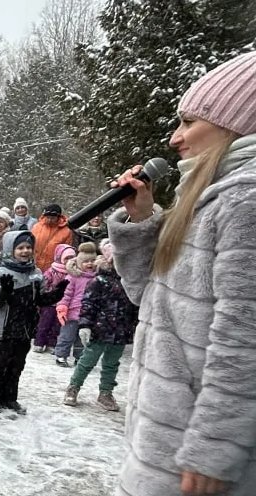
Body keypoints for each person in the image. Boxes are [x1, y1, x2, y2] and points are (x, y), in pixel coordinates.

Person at [109, 51, 256, 496]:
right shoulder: (215, 199)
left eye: (190, 121)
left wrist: (215, 445)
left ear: (240, 121)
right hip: (169, 442)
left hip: (199, 460)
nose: (176, 137)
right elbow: (150, 301)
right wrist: (141, 221)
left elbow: (245, 339)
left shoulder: (245, 203)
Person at [0, 231, 68, 414]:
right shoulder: (2, 272)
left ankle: (10, 398)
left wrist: (57, 293)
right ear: (10, 249)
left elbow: (40, 299)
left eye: (28, 247)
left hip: (26, 327)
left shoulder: (36, 272)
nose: (25, 251)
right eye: (20, 248)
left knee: (17, 365)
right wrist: (5, 292)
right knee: (0, 363)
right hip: (6, 326)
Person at [63, 239, 137, 411]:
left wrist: (134, 326)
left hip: (121, 331)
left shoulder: (131, 282)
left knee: (112, 363)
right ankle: (73, 386)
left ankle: (106, 392)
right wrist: (85, 325)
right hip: (99, 329)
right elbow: (88, 304)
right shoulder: (99, 281)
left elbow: (135, 307)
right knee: (87, 360)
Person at [53, 242, 98, 367]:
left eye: (92, 261)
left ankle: (80, 357)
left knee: (82, 339)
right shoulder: (72, 277)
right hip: (72, 314)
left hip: (88, 315)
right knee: (67, 336)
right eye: (85, 261)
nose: (89, 264)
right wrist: (62, 307)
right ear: (78, 262)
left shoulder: (96, 278)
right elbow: (65, 294)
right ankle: (61, 355)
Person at [33, 243, 76, 353]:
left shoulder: (73, 273)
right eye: (67, 258)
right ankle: (39, 342)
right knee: (44, 323)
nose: (69, 261)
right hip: (50, 303)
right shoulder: (52, 271)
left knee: (57, 326)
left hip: (63, 305)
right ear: (60, 258)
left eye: (72, 258)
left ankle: (51, 343)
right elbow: (44, 284)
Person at [30, 203, 75, 272]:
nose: (49, 220)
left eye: (52, 218)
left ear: (58, 217)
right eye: (48, 217)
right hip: (35, 266)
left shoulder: (66, 231)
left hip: (53, 269)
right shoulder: (36, 227)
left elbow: (66, 252)